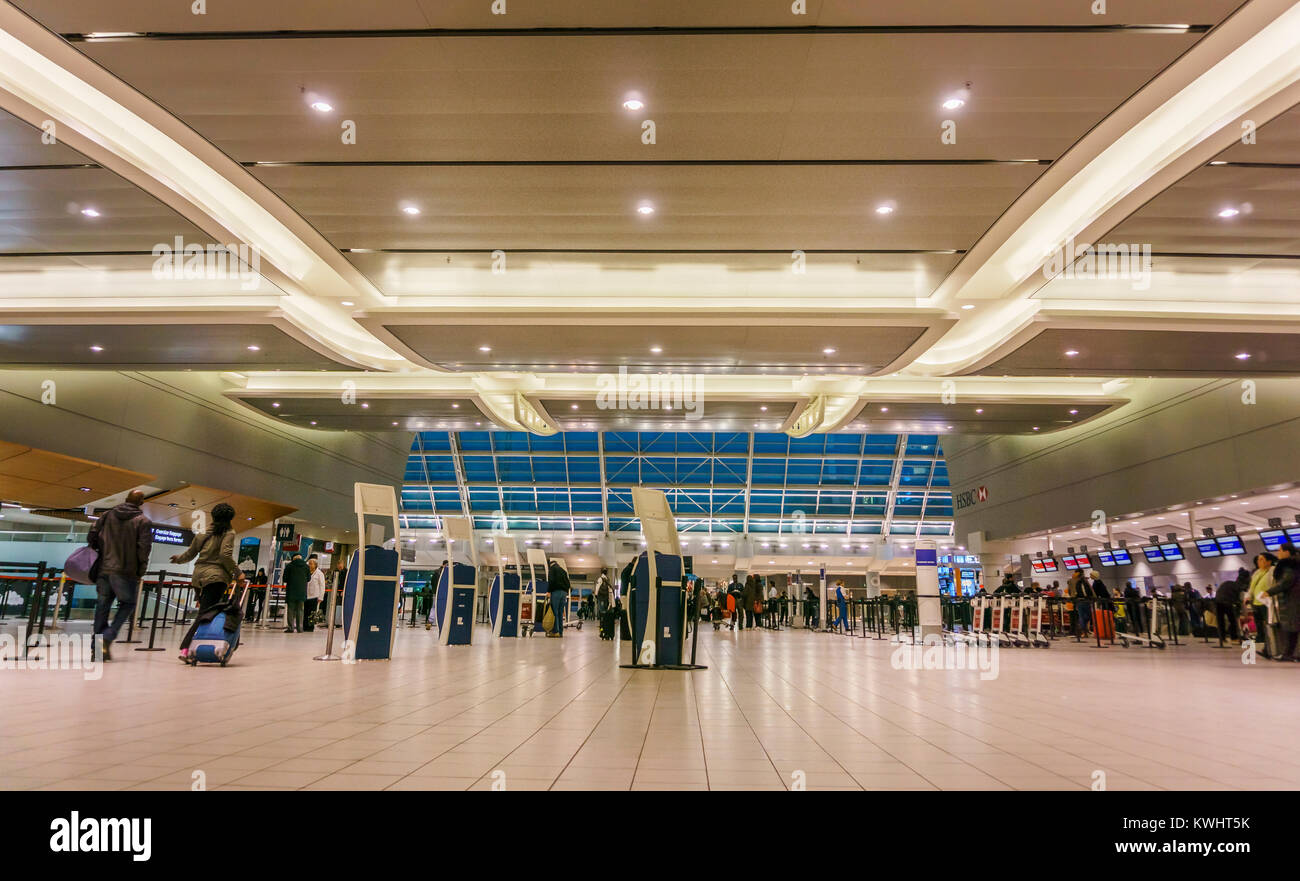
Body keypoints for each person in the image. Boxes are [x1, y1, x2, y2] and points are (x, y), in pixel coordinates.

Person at [87, 489, 153, 660]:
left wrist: (100, 550)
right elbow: (144, 548)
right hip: (126, 571)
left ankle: (97, 648)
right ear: (141, 502)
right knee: (128, 604)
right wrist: (141, 569)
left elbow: (92, 535)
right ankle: (107, 637)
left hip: (104, 568)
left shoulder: (107, 515)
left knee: (102, 607)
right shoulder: (143, 521)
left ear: (125, 499)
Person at [171, 503, 242, 616]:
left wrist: (178, 559)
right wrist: (238, 572)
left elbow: (191, 553)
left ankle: (200, 626)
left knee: (204, 612)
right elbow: (225, 555)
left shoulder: (203, 532)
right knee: (208, 614)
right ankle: (200, 628)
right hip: (215, 578)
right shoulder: (229, 533)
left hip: (198, 577)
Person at [1266, 544, 1300, 661]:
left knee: (1292, 629)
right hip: (1292, 601)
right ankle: (1288, 654)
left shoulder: (1289, 566)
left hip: (1293, 601)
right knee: (1292, 630)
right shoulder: (1293, 564)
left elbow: (1285, 582)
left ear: (1287, 552)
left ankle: (1288, 654)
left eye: (1280, 550)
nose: (1278, 553)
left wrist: (1269, 592)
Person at [1248, 552, 1277, 658]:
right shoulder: (1257, 572)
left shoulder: (1273, 571)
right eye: (1258, 560)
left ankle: (1271, 649)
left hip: (1267, 603)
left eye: (1261, 559)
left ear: (1269, 561)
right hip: (1256, 603)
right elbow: (1252, 586)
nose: (1258, 562)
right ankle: (1267, 648)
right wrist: (1248, 596)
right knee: (1262, 628)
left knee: (1270, 626)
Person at [1215, 568, 1249, 642]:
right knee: (1233, 620)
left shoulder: (1229, 583)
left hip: (1218, 601)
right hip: (1227, 602)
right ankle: (1234, 637)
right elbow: (1241, 602)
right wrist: (1244, 614)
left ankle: (1222, 638)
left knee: (1220, 621)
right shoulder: (1240, 588)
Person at [281, 553, 310, 633]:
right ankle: (300, 628)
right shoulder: (306, 566)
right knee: (300, 610)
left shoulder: (289, 566)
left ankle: (291, 628)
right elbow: (309, 579)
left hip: (291, 591)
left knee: (291, 610)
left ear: (293, 558)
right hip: (302, 591)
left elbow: (285, 579)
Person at [547, 559, 570, 637]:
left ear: (550, 564)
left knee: (555, 612)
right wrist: (565, 591)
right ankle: (560, 632)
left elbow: (551, 581)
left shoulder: (552, 569)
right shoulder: (563, 571)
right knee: (560, 612)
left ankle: (555, 631)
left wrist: (549, 591)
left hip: (556, 592)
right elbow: (568, 584)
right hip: (563, 593)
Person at [304, 556, 325, 632]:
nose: (309, 565)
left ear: (315, 565)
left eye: (311, 564)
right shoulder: (306, 572)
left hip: (315, 596)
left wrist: (321, 597)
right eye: (309, 563)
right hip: (306, 595)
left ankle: (310, 627)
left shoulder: (319, 573)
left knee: (312, 613)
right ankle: (304, 626)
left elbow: (322, 585)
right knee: (305, 612)